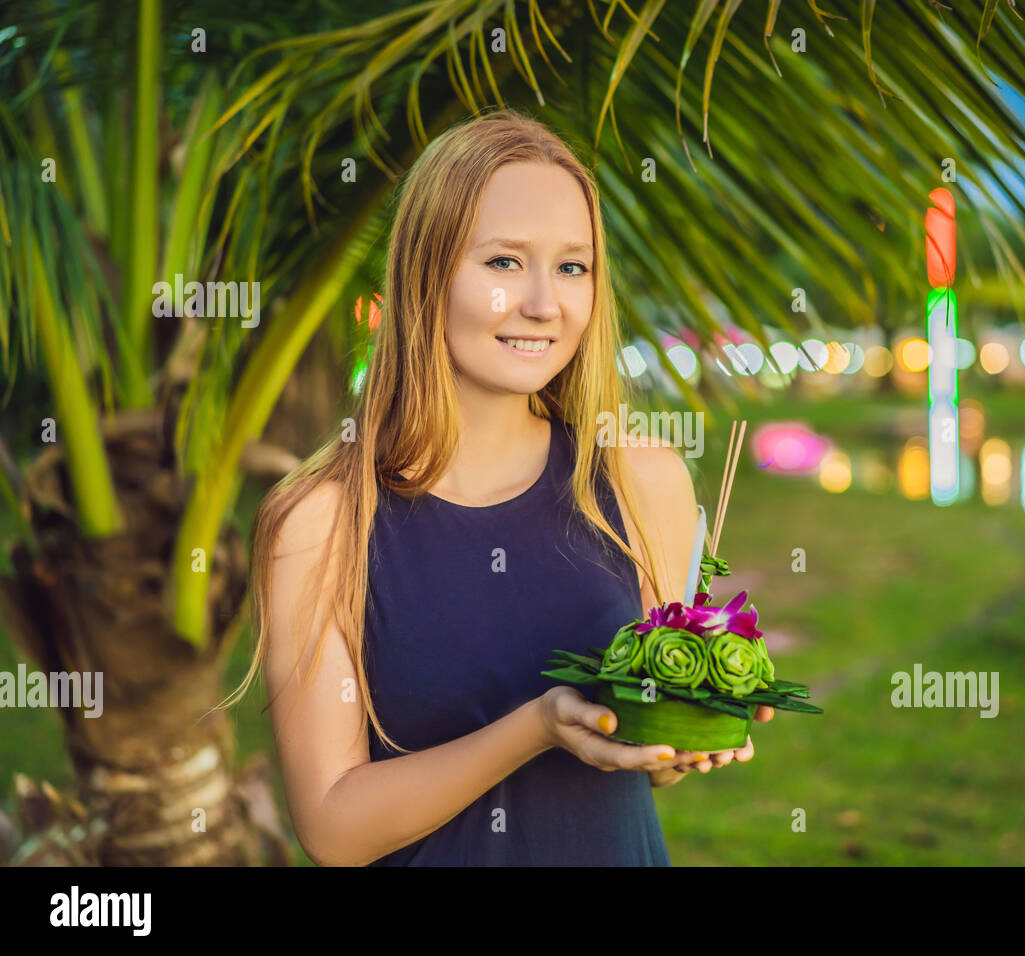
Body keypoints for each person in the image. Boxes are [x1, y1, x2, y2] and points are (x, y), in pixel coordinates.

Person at [223, 108, 773, 866]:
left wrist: (678, 740)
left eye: (572, 266)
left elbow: (636, 747)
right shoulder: (322, 524)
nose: (546, 304)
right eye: (505, 263)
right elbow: (332, 828)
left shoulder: (641, 479)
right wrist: (538, 727)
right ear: (426, 276)